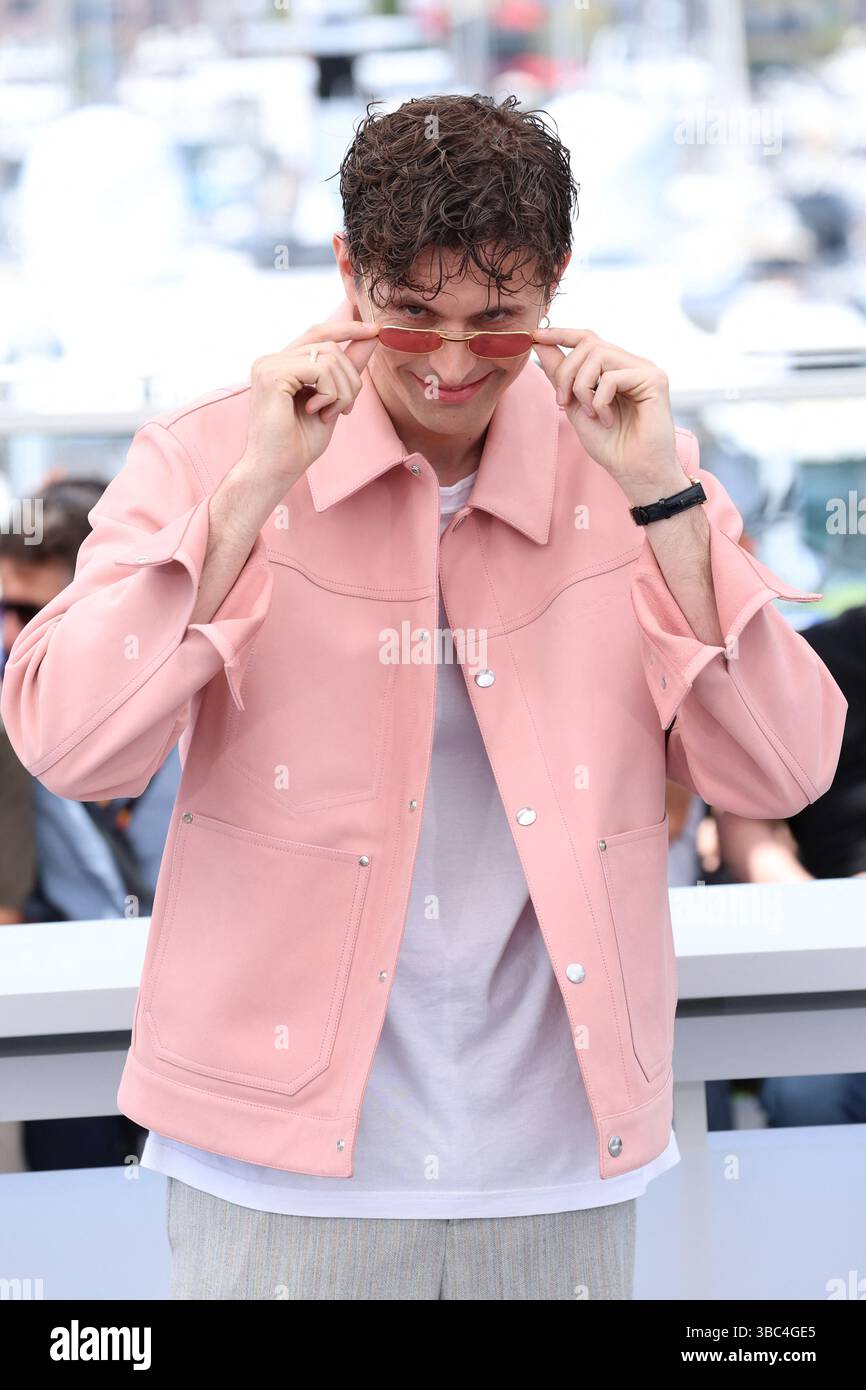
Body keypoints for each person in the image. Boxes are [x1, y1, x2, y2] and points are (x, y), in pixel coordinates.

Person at [1, 94, 847, 1300]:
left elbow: (782, 770)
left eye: (498, 323)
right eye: (409, 320)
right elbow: (71, 743)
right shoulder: (206, 454)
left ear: (555, 284)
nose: (453, 366)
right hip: (272, 1167)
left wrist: (665, 507)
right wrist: (247, 501)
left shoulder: (633, 466)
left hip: (560, 1161)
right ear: (349, 273)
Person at [0, 477, 181, 1170]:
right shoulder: (16, 710)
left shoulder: (204, 690)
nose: (14, 634)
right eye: (4, 608)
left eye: (32, 609)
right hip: (65, 1030)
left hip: (197, 1029)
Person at [716, 600, 866, 1128]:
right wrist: (815, 908)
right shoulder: (809, 660)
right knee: (807, 1094)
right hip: (837, 957)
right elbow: (744, 818)